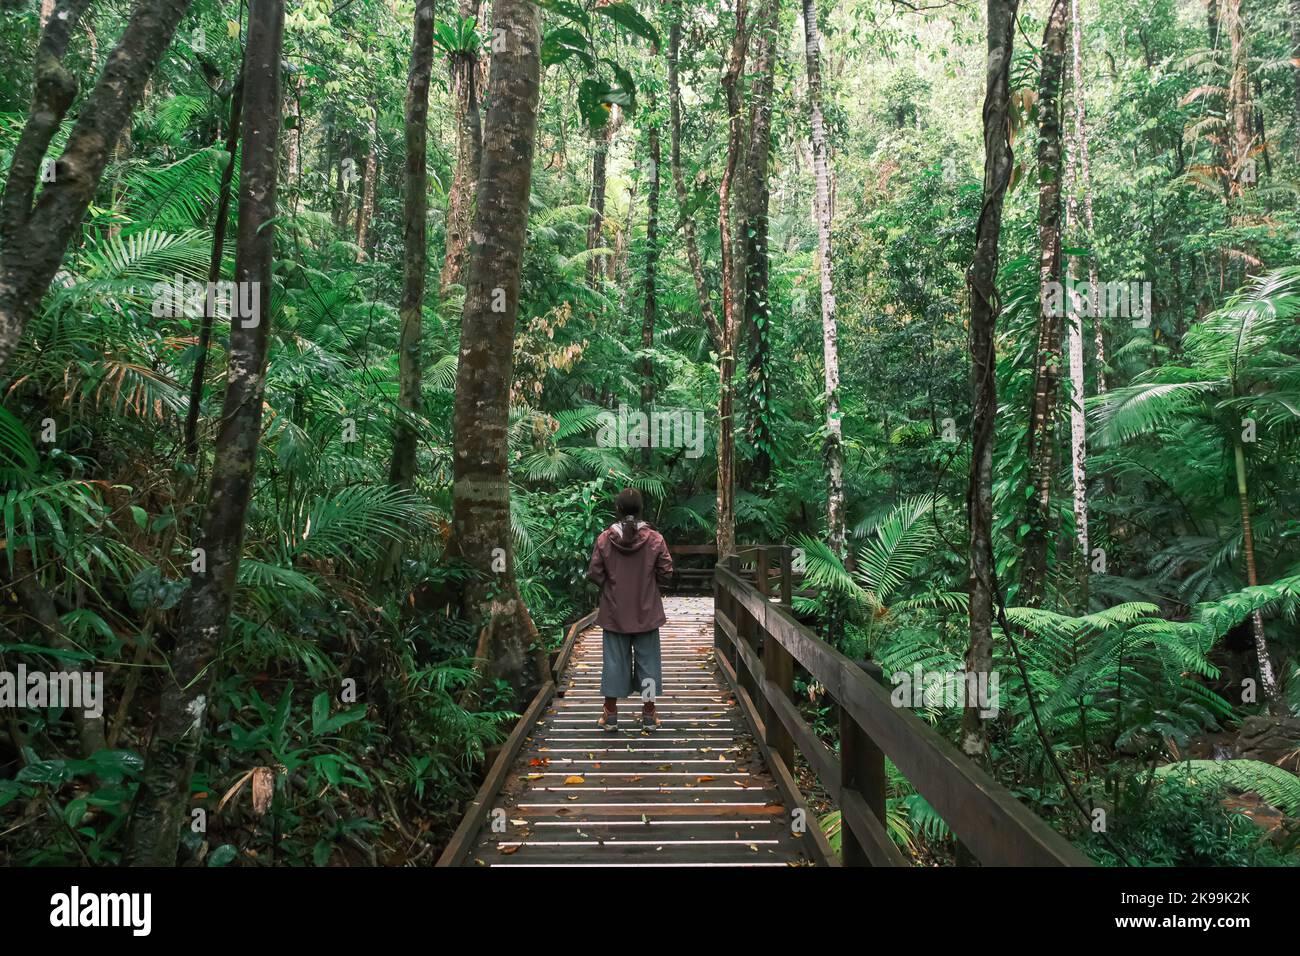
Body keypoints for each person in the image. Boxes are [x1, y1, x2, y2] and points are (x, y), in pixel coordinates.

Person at [585, 488, 674, 732]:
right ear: (641, 509)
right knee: (648, 663)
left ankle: (610, 715)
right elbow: (666, 572)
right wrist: (650, 585)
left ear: (618, 510)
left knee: (614, 662)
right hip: (646, 612)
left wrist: (612, 588)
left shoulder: (605, 539)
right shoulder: (655, 539)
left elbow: (594, 573)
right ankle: (648, 715)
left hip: (614, 612)